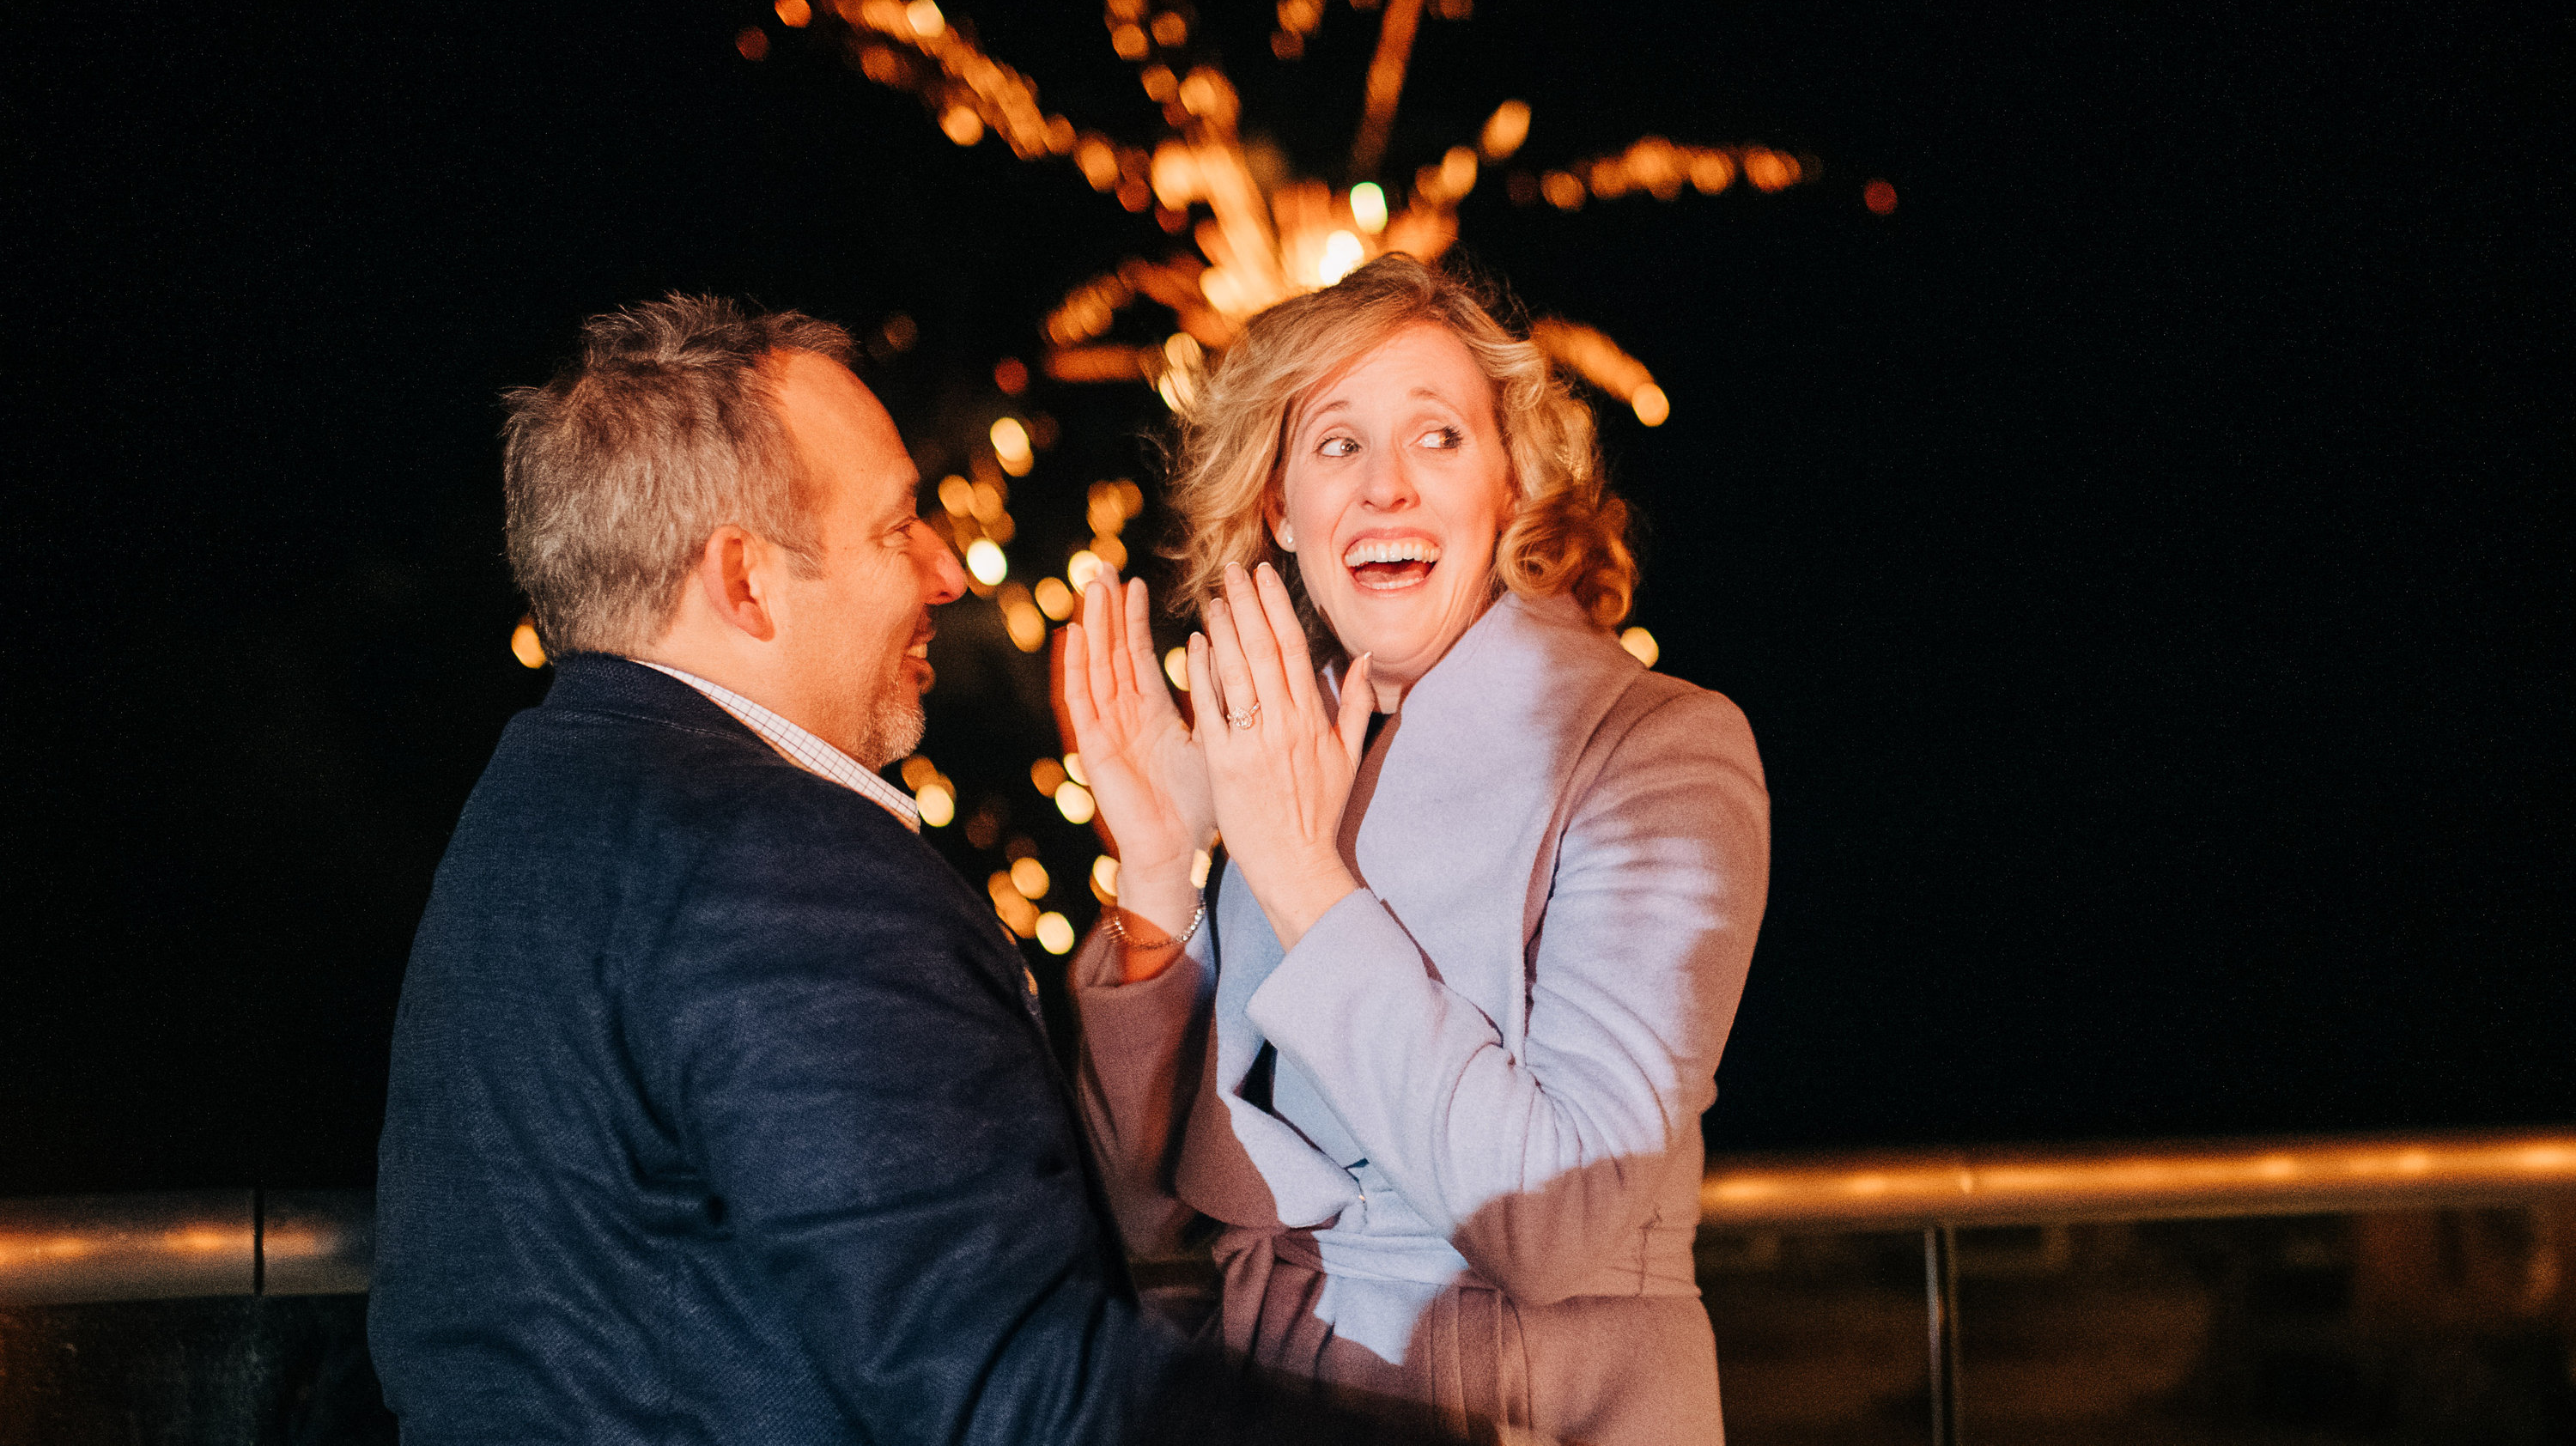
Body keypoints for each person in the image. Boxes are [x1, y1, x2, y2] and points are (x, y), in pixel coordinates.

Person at [371, 295, 1466, 1446]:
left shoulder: (535, 805)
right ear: (745, 582)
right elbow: (1017, 1399)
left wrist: (1155, 872)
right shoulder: (785, 874)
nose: (947, 573)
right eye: (898, 531)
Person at [1060, 255, 1771, 1446]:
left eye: (1437, 438)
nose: (1386, 486)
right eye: (1337, 444)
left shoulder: (1661, 749)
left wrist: (1297, 873)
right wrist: (1159, 867)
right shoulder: (1281, 749)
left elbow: (1553, 1226)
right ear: (1279, 506)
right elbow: (1138, 1216)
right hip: (1255, 1400)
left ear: (1510, 484)